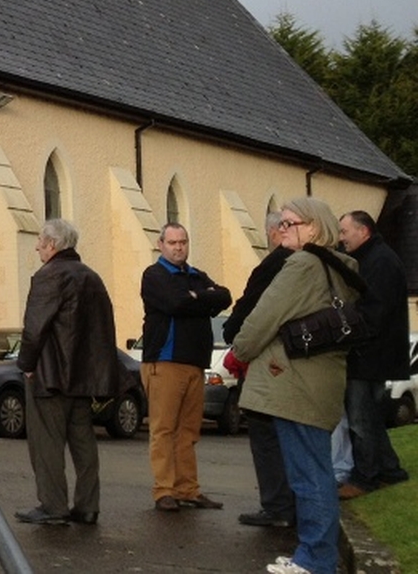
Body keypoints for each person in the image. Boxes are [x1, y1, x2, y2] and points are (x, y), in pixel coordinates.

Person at [232, 197, 360, 574]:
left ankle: (315, 559)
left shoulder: (303, 264)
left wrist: (240, 349)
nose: (282, 229)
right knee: (316, 471)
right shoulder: (342, 266)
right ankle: (314, 554)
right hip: (320, 380)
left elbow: (262, 318)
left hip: (295, 382)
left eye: (290, 223)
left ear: (314, 227)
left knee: (308, 476)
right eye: (282, 223)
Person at [13, 219, 129, 526]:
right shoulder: (92, 277)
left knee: (47, 442)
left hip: (50, 375)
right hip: (82, 377)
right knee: (83, 442)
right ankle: (88, 505)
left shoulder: (48, 276)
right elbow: (102, 331)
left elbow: (35, 328)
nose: (37, 245)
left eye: (40, 241)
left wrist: (25, 364)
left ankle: (52, 505)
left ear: (52, 244)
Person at [140, 222, 232, 511]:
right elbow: (174, 303)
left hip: (195, 362)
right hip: (165, 361)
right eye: (172, 242)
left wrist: (197, 297)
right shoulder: (154, 275)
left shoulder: (195, 275)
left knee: (189, 430)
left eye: (183, 242)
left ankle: (187, 489)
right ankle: (164, 490)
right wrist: (201, 299)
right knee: (164, 429)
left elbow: (225, 296)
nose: (179, 247)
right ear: (161, 245)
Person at [223, 213, 297, 528]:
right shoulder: (310, 263)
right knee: (292, 437)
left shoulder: (274, 264)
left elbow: (251, 310)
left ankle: (277, 505)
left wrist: (233, 335)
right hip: (299, 364)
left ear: (274, 232)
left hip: (269, 363)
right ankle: (291, 502)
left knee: (265, 434)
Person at [336, 210, 411, 498]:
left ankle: (364, 477)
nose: (341, 238)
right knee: (370, 417)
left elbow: (374, 312)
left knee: (360, 419)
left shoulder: (378, 262)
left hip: (369, 356)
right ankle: (390, 470)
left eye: (345, 231)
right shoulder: (376, 258)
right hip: (374, 355)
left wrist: (345, 326)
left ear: (363, 231)